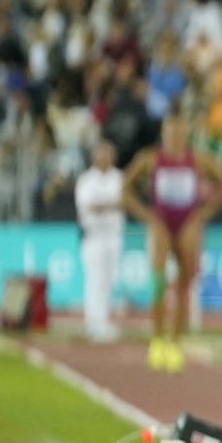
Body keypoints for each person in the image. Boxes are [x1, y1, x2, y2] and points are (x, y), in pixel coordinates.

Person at [120, 113, 222, 371]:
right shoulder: (150, 159)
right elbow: (125, 189)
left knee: (184, 281)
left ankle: (175, 342)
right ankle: (158, 339)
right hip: (161, 221)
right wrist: (147, 217)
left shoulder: (197, 160)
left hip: (186, 221)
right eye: (171, 133)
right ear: (163, 134)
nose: (175, 138)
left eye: (179, 133)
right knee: (158, 279)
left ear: (185, 135)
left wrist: (203, 215)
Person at [74, 139, 126, 343]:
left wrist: (103, 206)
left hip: (113, 236)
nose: (105, 157)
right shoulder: (86, 180)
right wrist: (111, 205)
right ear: (94, 156)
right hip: (94, 236)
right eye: (101, 152)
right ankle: (94, 323)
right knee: (94, 279)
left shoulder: (119, 178)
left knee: (109, 280)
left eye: (108, 152)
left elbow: (124, 202)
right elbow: (88, 207)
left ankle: (103, 320)